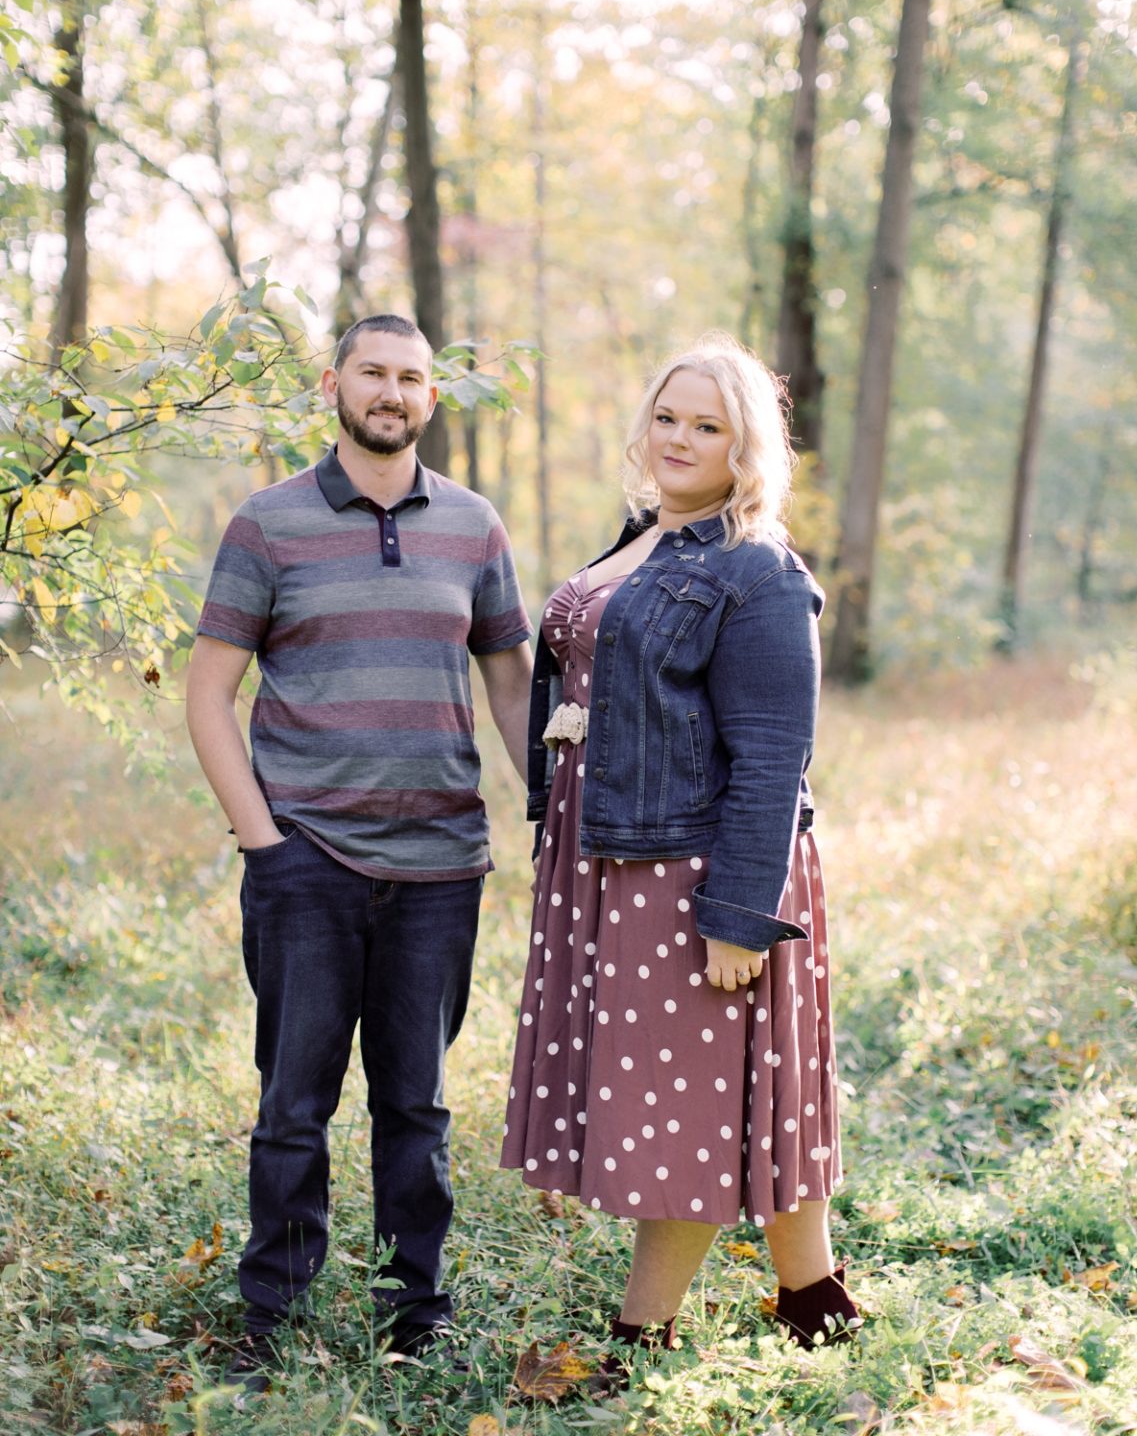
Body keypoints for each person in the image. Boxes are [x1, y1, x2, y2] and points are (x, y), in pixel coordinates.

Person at [186, 313, 533, 1389]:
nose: (392, 392)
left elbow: (512, 684)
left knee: (417, 1107)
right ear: (334, 382)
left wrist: (556, 813)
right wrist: (265, 844)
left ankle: (412, 1315)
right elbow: (207, 696)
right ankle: (272, 1316)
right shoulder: (267, 523)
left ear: (433, 396)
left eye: (413, 378)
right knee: (294, 1103)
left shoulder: (473, 525)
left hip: (441, 863)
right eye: (374, 373)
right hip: (307, 864)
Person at [501, 332, 859, 1373]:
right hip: (608, 860)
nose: (681, 439)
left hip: (692, 871)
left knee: (686, 1101)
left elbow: (774, 757)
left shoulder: (757, 573)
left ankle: (638, 1332)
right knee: (735, 1085)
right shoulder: (637, 542)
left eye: (709, 426)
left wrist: (741, 912)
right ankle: (813, 1297)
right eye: (668, 416)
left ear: (747, 447)